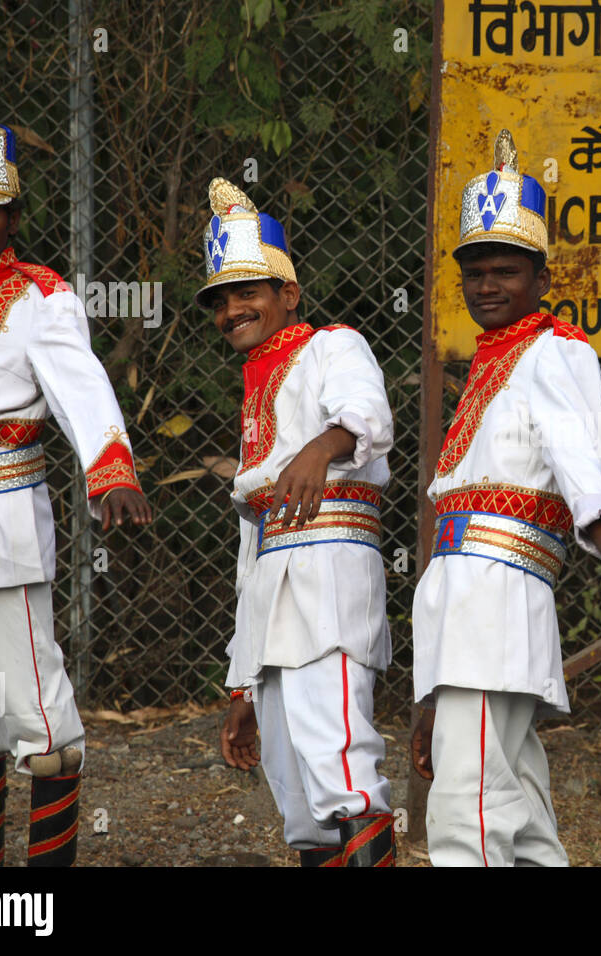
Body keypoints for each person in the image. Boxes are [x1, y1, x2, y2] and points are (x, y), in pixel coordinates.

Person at [0, 74, 152, 867]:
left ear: (12, 215)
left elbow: (80, 384)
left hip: (3, 524)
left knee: (38, 716)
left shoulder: (36, 296)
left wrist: (111, 467)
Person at [410, 131, 601, 866]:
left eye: (506, 271)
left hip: (497, 595)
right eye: (476, 272)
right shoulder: (492, 362)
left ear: (542, 277)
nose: (488, 285)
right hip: (461, 599)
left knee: (468, 805)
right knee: (515, 794)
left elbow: (580, 460)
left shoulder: (554, 348)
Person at [205, 179, 397, 867]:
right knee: (299, 801)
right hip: (271, 586)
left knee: (342, 769)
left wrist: (322, 447)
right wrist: (243, 684)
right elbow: (247, 557)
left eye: (248, 291)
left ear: (289, 293)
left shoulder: (331, 346)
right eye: (221, 301)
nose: (232, 310)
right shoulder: (256, 382)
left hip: (331, 567)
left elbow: (369, 417)